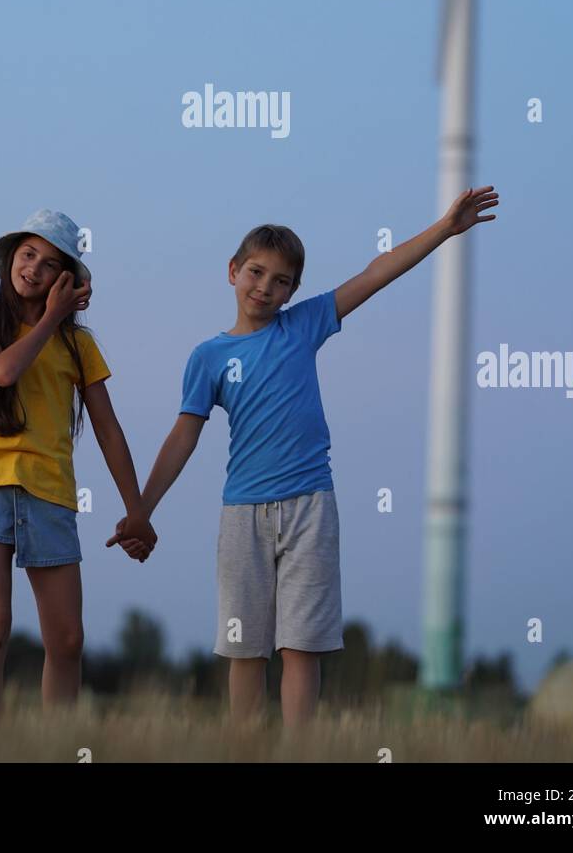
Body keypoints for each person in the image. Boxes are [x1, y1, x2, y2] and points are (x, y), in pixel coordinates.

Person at [109, 186, 499, 727]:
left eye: (281, 280)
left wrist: (445, 227)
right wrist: (142, 508)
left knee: (302, 647)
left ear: (294, 291)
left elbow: (377, 272)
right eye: (256, 273)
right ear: (232, 271)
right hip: (242, 513)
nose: (265, 287)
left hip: (311, 508)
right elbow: (183, 437)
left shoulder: (304, 325)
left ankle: (300, 752)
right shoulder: (209, 357)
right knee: (245, 648)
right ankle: (246, 751)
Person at [0, 208, 156, 716]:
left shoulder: (79, 345)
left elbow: (108, 427)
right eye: (27, 254)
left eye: (49, 263)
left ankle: (56, 747)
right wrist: (51, 319)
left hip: (52, 492)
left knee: (66, 639)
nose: (33, 268)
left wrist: (138, 510)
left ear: (66, 279)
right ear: (10, 260)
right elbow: (3, 370)